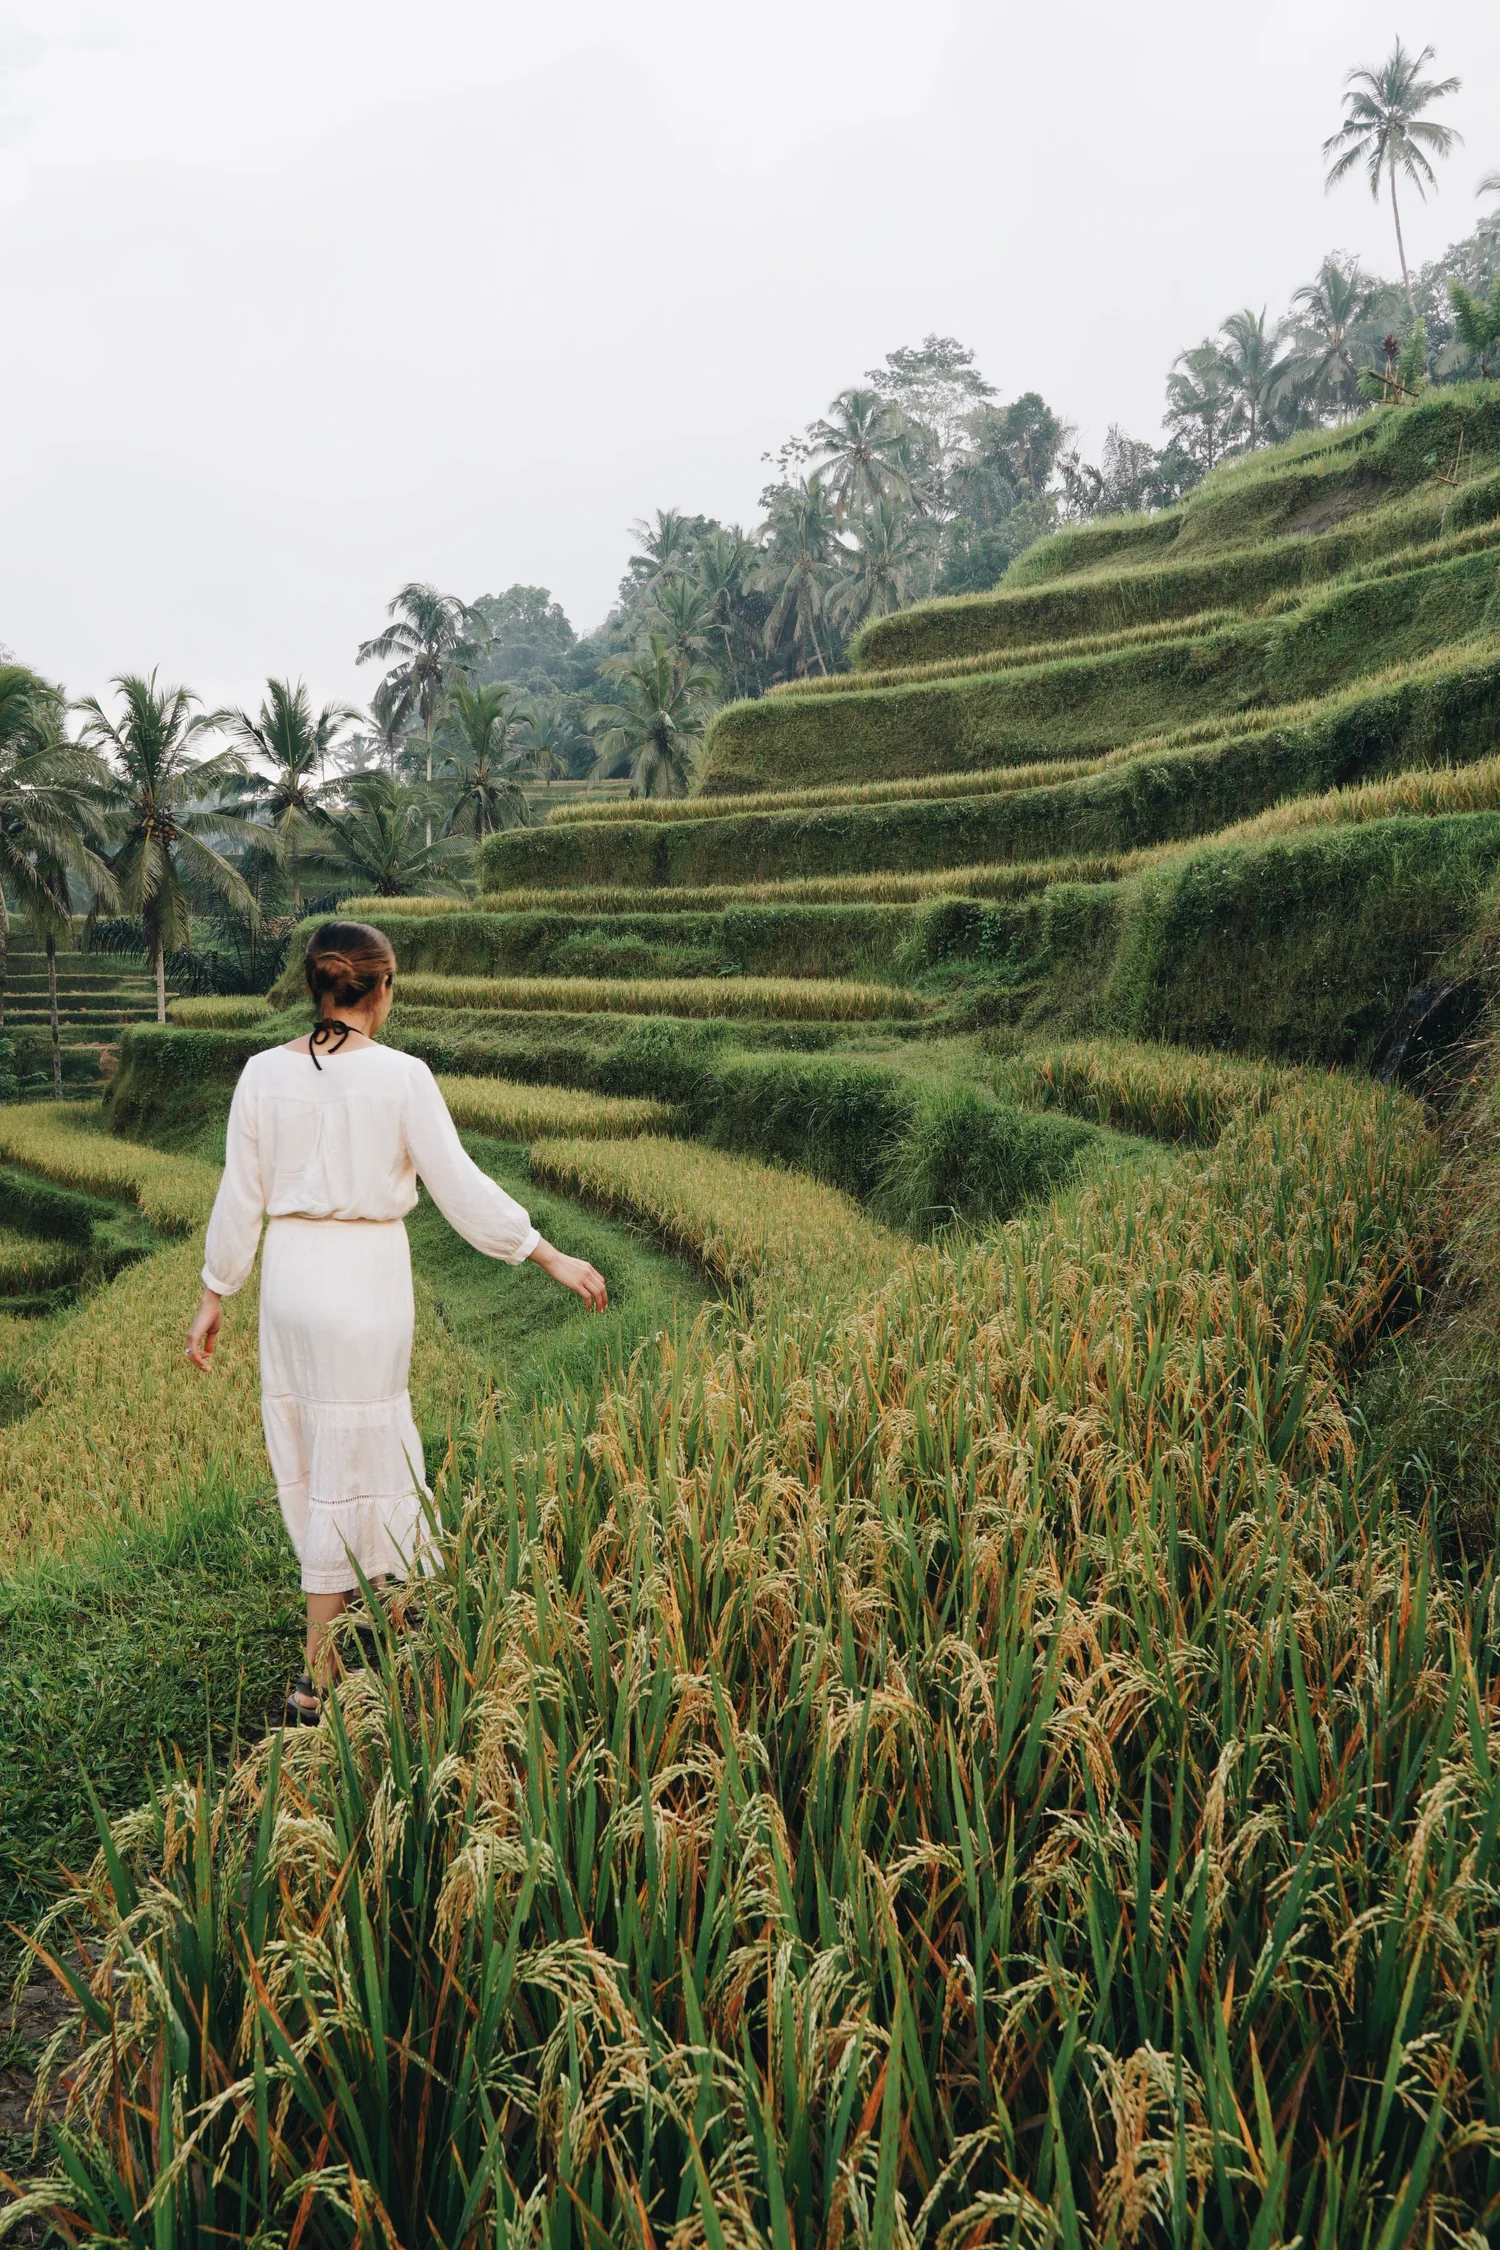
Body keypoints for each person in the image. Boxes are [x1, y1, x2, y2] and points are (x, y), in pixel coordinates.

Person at [185, 918, 607, 1722]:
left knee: (330, 1445)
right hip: (366, 1278)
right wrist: (545, 1253)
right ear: (380, 990)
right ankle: (318, 1681)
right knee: (366, 1443)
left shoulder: (260, 1074)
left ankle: (397, 1608)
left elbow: (239, 1196)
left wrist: (215, 1295)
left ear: (317, 986)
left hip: (291, 1279)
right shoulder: (402, 1076)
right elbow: (460, 1184)